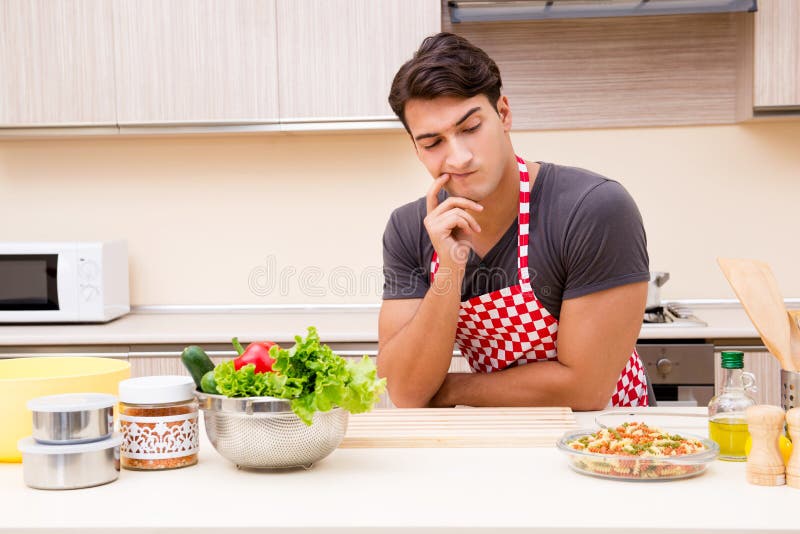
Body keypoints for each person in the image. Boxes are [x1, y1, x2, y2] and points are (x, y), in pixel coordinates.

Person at [377, 32, 651, 410]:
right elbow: (406, 392)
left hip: (607, 442)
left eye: (470, 128)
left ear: (503, 113)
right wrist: (449, 270)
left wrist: (449, 390)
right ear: (416, 149)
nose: (458, 158)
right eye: (432, 143)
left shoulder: (594, 209)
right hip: (506, 439)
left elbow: (585, 390)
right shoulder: (410, 230)